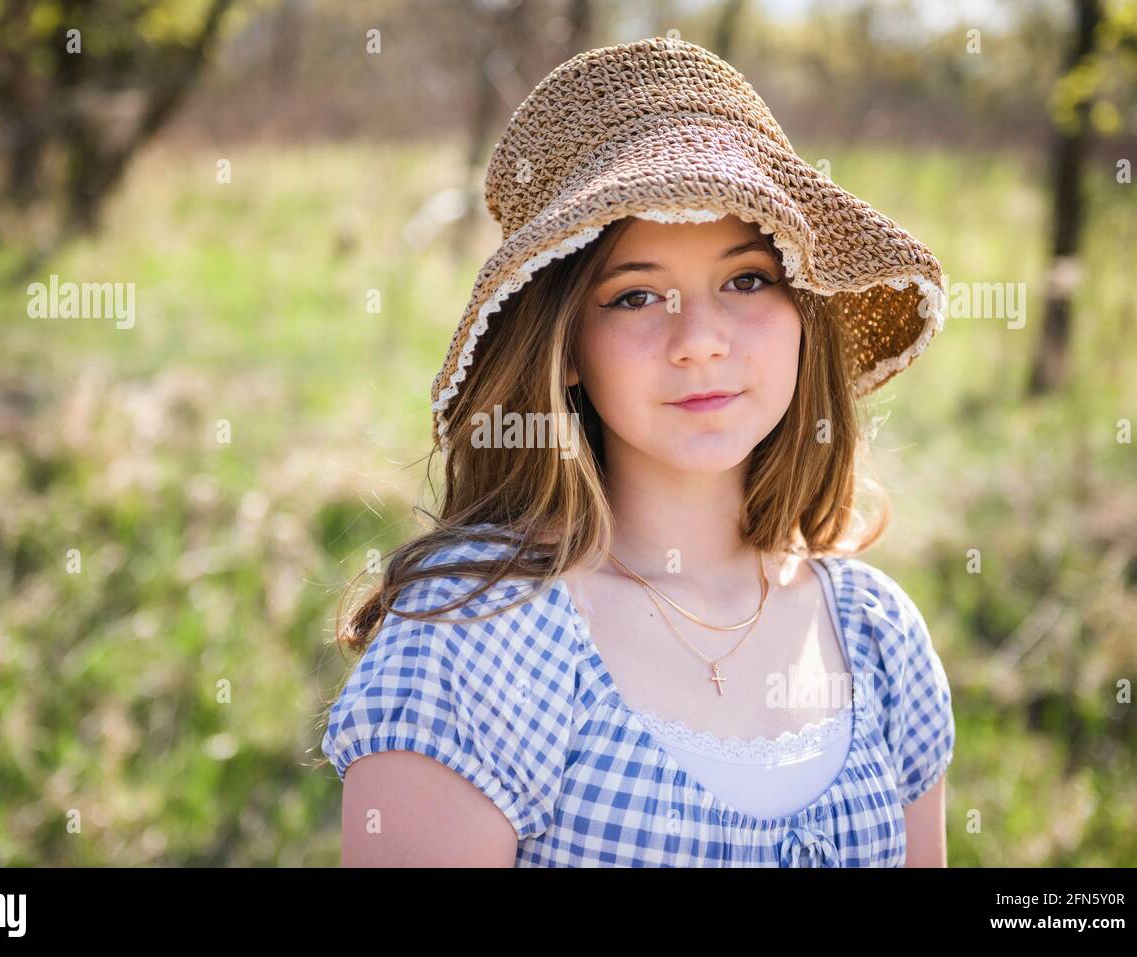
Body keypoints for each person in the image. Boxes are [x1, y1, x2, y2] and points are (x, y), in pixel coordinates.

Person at [315, 35, 955, 867]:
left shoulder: (878, 638)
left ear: (804, 308)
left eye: (747, 279)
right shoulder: (480, 631)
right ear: (567, 346)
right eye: (637, 295)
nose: (700, 341)